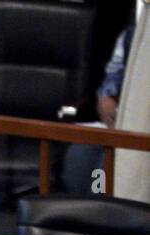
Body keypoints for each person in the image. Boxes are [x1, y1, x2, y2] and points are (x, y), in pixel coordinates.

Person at [63, 22, 135, 194]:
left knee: (105, 164)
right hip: (117, 124)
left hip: (138, 131)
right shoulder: (131, 35)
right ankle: (82, 213)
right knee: (81, 155)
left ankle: (99, 213)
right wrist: (106, 97)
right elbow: (113, 76)